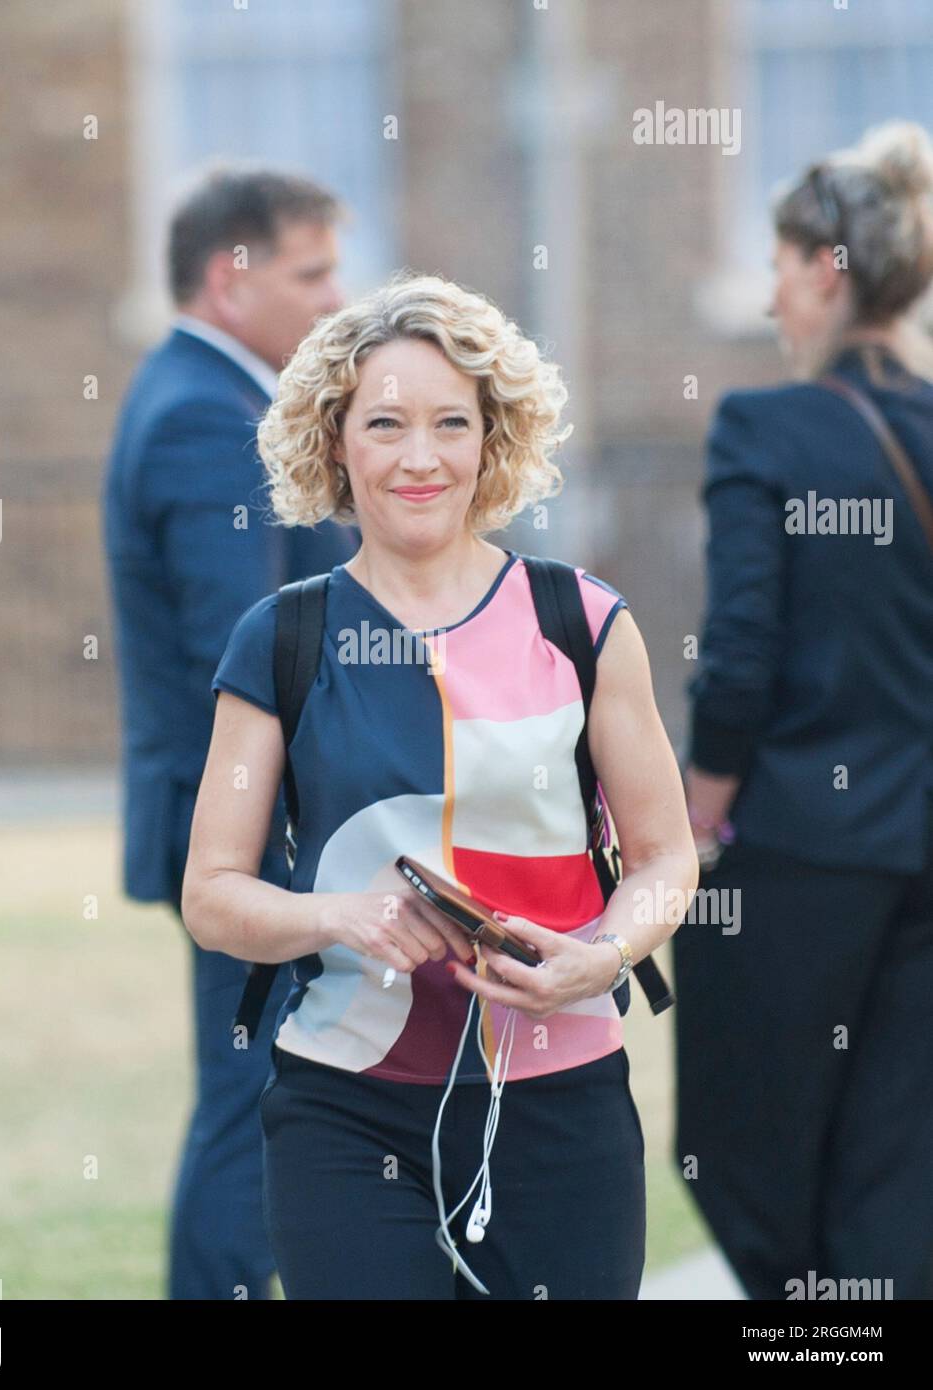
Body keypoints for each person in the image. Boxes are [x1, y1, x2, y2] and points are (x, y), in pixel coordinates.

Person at [180, 271, 699, 1300]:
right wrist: (342, 915)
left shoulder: (584, 622)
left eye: (451, 423)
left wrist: (604, 957)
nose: (419, 457)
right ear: (334, 442)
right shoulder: (281, 639)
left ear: (491, 439)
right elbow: (212, 894)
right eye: (384, 424)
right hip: (344, 1109)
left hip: (561, 1103)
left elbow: (664, 858)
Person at [677, 122, 933, 1299]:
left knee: (743, 1156)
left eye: (780, 265)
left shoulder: (765, 428)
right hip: (917, 858)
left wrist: (688, 827)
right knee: (892, 1170)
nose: (771, 294)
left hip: (791, 853)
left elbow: (739, 657)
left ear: (827, 271)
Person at [102, 163, 358, 1300]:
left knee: (266, 1093)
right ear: (229, 277)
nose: (334, 298)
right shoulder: (206, 420)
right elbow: (244, 655)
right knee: (252, 1103)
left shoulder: (201, 397)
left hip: (249, 822)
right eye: (312, 273)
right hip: (242, 829)